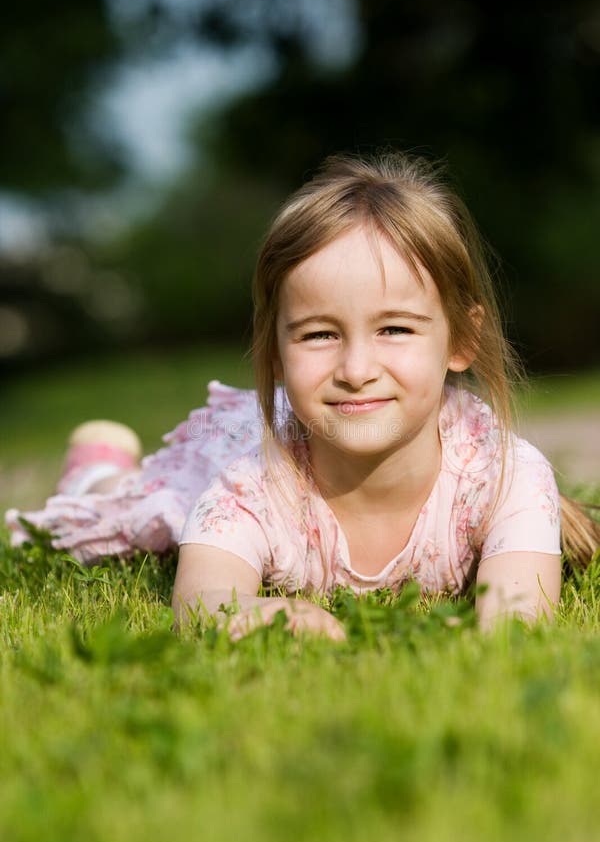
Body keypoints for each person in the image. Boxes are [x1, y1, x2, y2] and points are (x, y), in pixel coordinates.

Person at [6, 151, 599, 638]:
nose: (356, 368)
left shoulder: (502, 476)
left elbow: (520, 616)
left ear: (461, 341)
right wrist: (258, 615)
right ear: (275, 355)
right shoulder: (251, 483)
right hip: (233, 449)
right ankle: (98, 466)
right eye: (320, 334)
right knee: (143, 514)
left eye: (394, 328)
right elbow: (204, 602)